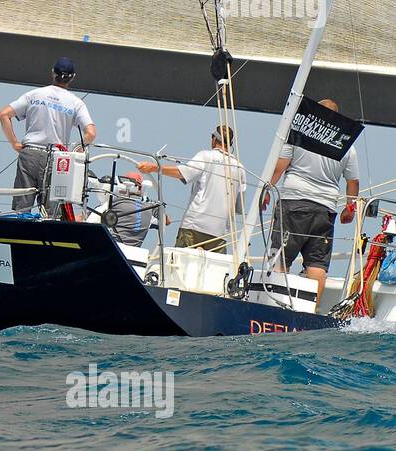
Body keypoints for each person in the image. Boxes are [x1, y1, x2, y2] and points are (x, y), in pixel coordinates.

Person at [263, 98, 361, 302]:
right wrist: (349, 210)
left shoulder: (299, 133)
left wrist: (265, 191)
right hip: (325, 211)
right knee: (317, 264)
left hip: (294, 203)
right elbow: (353, 183)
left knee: (281, 256)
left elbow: (280, 167)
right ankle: (312, 308)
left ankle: (272, 302)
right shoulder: (347, 146)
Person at [0, 57, 95, 212]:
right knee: (51, 213)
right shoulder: (76, 103)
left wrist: (14, 143)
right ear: (73, 77)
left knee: (21, 209)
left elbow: (4, 114)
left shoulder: (34, 95)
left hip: (30, 154)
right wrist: (73, 151)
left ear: (52, 73)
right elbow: (91, 133)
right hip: (57, 160)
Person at [138, 126, 245, 252]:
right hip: (220, 234)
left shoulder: (206, 156)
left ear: (214, 139)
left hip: (194, 226)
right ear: (230, 143)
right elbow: (239, 207)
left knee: (180, 268)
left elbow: (183, 173)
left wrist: (154, 168)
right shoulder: (240, 168)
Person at [95, 172, 164, 248]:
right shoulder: (149, 208)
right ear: (140, 187)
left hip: (111, 248)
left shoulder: (114, 202)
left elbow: (88, 218)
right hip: (131, 255)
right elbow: (165, 221)